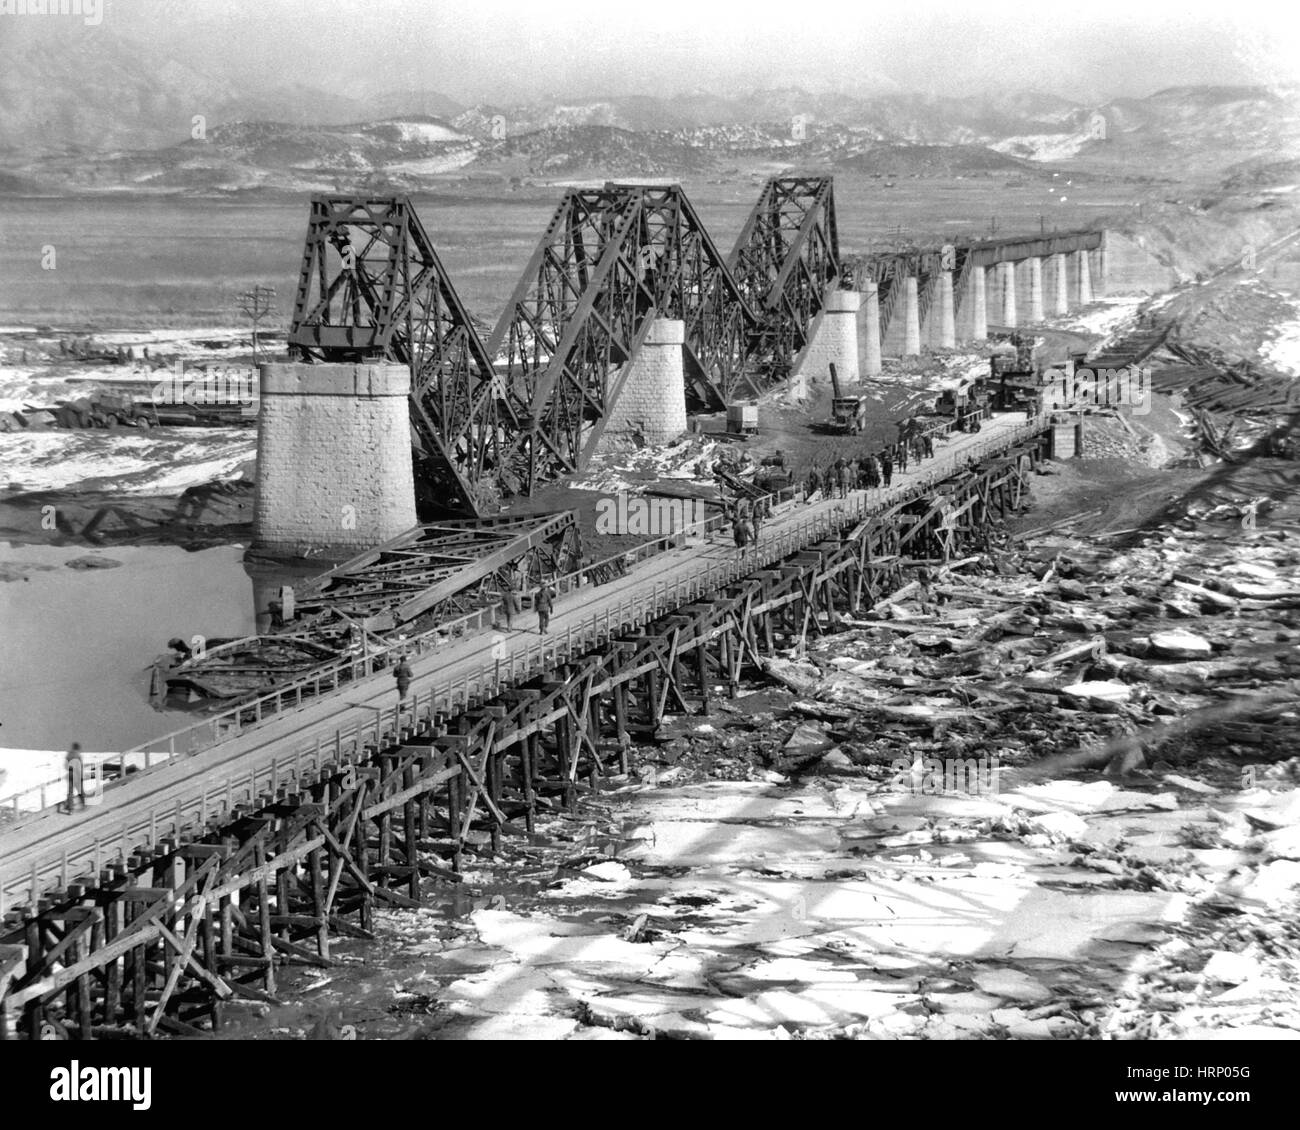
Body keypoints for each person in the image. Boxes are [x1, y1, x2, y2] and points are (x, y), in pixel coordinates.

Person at [64, 743, 85, 813]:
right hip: (77, 774)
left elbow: (65, 766)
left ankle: (70, 809)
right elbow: (80, 766)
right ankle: (84, 803)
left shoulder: (68, 755)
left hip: (70, 774)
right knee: (80, 790)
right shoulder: (78, 755)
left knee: (70, 792)